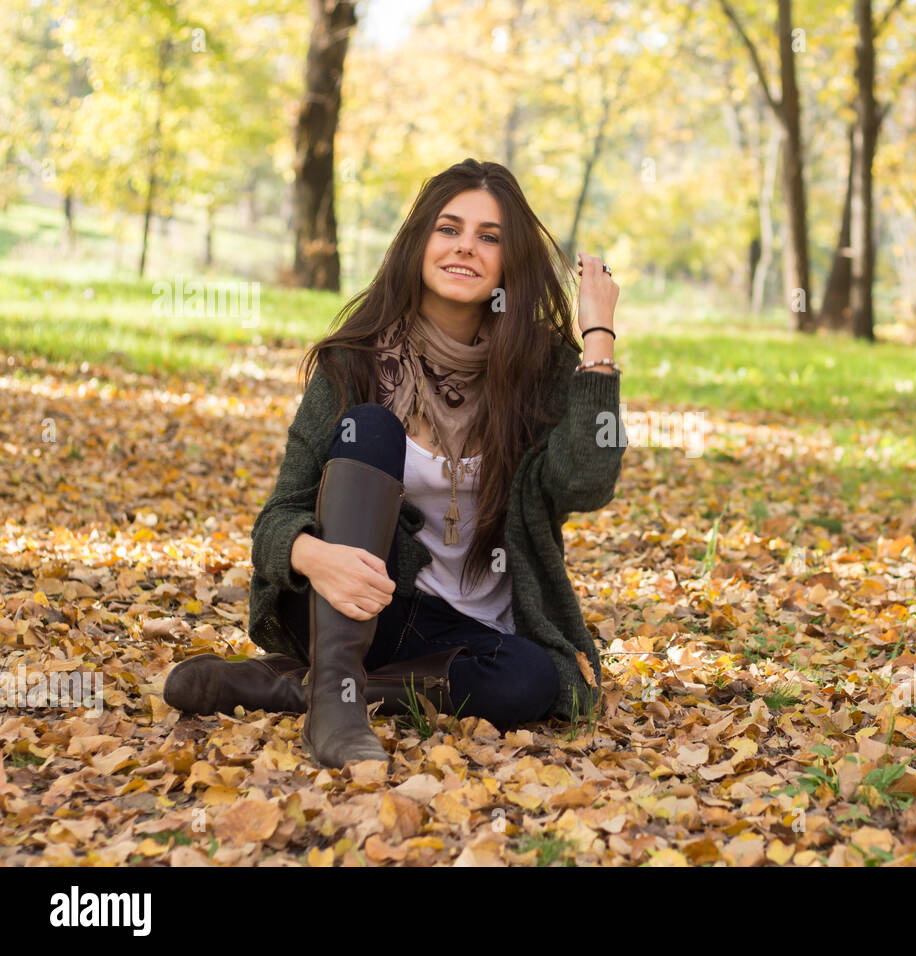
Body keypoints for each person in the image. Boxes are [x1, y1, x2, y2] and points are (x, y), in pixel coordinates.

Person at [164, 158, 624, 769]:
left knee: (529, 681)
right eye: (449, 228)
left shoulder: (540, 371)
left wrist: (598, 337)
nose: (466, 247)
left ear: (510, 260)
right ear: (418, 242)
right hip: (349, 609)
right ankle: (333, 699)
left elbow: (587, 483)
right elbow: (275, 521)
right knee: (371, 428)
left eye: (490, 237)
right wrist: (314, 556)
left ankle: (303, 689)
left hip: (465, 640)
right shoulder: (353, 366)